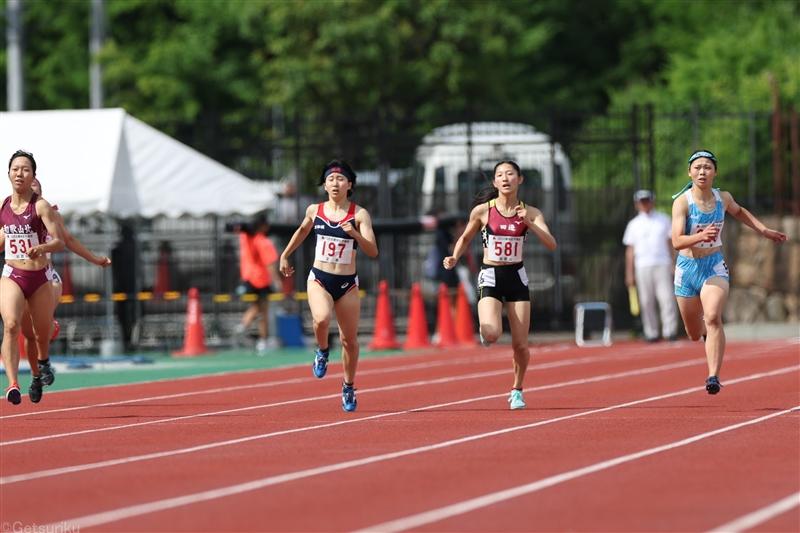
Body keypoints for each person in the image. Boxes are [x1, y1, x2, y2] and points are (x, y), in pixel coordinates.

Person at [443, 160, 557, 410]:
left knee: (521, 344)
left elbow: (551, 244)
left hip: (516, 276)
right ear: (495, 182)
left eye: (510, 174)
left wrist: (529, 223)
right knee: (493, 333)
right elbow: (465, 237)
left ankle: (517, 389)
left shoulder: (532, 212)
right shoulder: (483, 211)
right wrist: (455, 256)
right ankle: (486, 331)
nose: (505, 179)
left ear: (520, 179)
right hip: (491, 274)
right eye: (500, 175)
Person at [671, 149, 787, 394]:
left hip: (713, 265)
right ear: (689, 172)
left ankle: (713, 376)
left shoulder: (722, 198)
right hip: (686, 268)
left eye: (707, 167)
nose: (702, 171)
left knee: (713, 316)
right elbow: (676, 241)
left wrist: (763, 230)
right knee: (693, 333)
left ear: (715, 172)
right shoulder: (682, 202)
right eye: (697, 167)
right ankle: (703, 334)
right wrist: (700, 236)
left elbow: (739, 211)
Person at [279, 159, 378, 412]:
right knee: (321, 319)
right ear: (324, 185)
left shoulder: (359, 214)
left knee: (349, 341)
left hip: (347, 284)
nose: (335, 183)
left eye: (341, 179)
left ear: (350, 185)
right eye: (331, 179)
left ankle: (348, 385)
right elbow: (302, 231)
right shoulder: (315, 210)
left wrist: (354, 233)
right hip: (320, 278)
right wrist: (285, 254)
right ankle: (322, 350)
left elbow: (372, 250)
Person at [9, 177, 112, 394]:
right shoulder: (13, 214)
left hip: (46, 276)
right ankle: (36, 376)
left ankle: (49, 320)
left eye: (33, 188)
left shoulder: (49, 214)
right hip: (20, 277)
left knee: (45, 314)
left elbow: (70, 241)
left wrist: (95, 259)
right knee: (30, 335)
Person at [1, 150, 65, 405]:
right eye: (15, 169)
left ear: (33, 176)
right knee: (11, 325)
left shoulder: (41, 206)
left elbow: (60, 242)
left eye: (25, 169)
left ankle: (42, 364)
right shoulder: (4, 206)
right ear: (8, 173)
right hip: (12, 275)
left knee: (40, 333)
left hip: (40, 277)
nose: (20, 173)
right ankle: (12, 384)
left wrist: (42, 248)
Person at [623, 189, 679, 342]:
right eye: (642, 201)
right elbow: (630, 250)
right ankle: (651, 332)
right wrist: (629, 273)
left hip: (662, 263)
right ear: (637, 204)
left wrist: (674, 263)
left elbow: (671, 243)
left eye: (647, 200)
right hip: (642, 265)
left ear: (652, 201)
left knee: (667, 298)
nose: (645, 204)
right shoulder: (633, 224)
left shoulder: (664, 219)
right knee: (646, 300)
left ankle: (670, 330)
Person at [235, 212, 282, 355]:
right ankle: (254, 334)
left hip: (248, 278)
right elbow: (270, 263)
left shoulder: (246, 239)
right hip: (261, 279)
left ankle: (245, 328)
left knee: (257, 307)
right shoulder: (262, 241)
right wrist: (276, 280)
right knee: (263, 310)